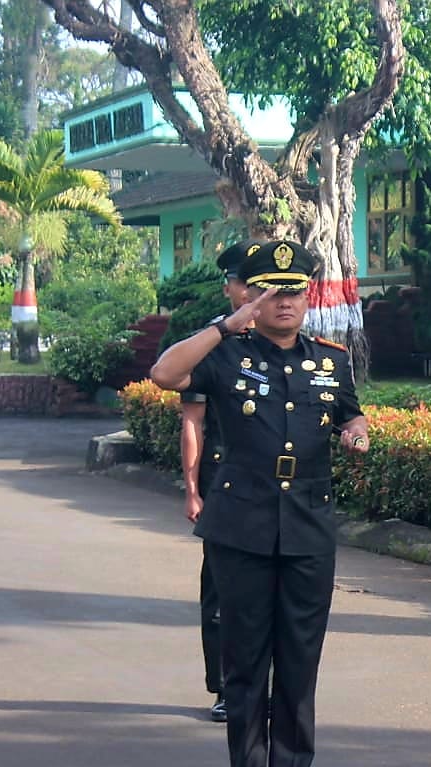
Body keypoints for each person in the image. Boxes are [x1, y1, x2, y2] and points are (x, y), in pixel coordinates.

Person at [151, 239, 370, 767]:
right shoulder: (226, 354)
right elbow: (163, 373)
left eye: (294, 291)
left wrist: (357, 431)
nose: (284, 302)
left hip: (308, 528)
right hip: (241, 525)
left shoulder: (330, 359)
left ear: (307, 296)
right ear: (250, 294)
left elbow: (349, 410)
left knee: (300, 660)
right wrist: (226, 326)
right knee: (246, 659)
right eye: (272, 291)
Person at [179, 240, 255, 723]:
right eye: (242, 283)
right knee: (223, 591)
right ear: (229, 288)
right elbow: (193, 421)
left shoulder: (289, 341)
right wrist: (191, 487)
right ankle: (225, 686)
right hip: (224, 482)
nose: (251, 293)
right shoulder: (211, 346)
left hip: (273, 484)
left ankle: (264, 688)